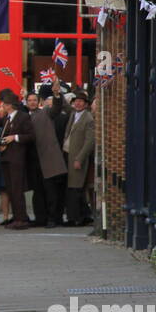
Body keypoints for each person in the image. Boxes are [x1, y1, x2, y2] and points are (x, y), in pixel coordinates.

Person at [0, 89, 35, 230]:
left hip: (17, 158)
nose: (2, 107)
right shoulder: (7, 119)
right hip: (6, 156)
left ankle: (22, 218)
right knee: (11, 189)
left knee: (17, 189)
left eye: (4, 104)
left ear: (10, 105)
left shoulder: (23, 117)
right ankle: (17, 216)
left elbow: (31, 135)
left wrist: (14, 137)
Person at [27, 91, 68, 228]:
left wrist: (57, 95)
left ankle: (52, 218)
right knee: (37, 192)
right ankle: (40, 218)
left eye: (34, 100)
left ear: (39, 102)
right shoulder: (24, 116)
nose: (32, 102)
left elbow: (56, 108)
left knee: (50, 191)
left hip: (47, 158)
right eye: (29, 100)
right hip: (33, 159)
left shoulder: (45, 113)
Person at [64, 91, 95, 226]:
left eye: (81, 101)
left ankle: (75, 218)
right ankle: (85, 215)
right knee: (73, 188)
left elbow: (89, 142)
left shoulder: (88, 119)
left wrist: (80, 158)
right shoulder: (73, 115)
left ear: (86, 104)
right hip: (68, 154)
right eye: (76, 101)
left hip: (77, 157)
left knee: (75, 188)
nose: (78, 103)